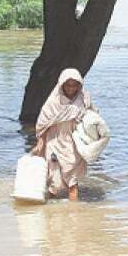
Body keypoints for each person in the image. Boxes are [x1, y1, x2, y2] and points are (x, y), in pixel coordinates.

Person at [30, 68, 95, 202]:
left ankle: (73, 212)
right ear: (61, 84)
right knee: (54, 180)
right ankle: (49, 211)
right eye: (68, 85)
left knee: (72, 180)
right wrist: (40, 143)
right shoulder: (53, 102)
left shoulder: (84, 99)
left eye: (74, 85)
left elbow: (93, 119)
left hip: (75, 143)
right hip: (55, 141)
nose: (71, 88)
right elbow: (44, 124)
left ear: (79, 85)